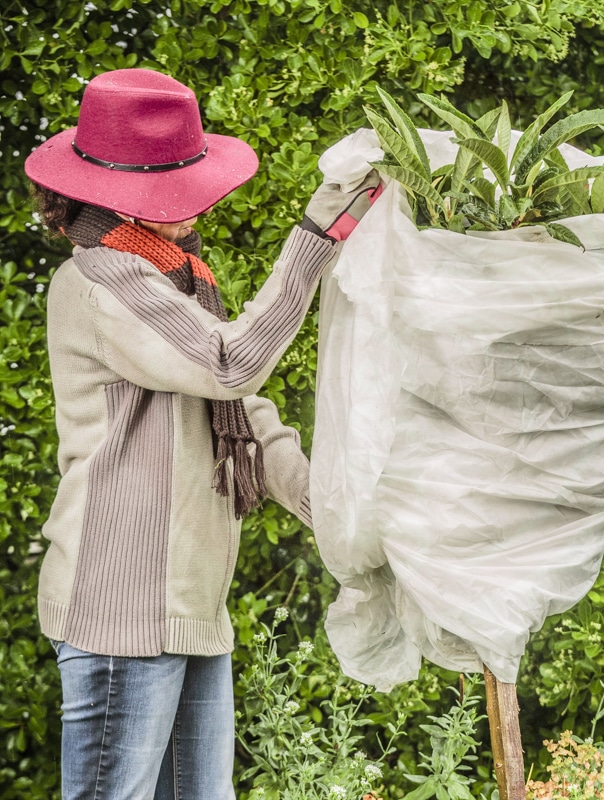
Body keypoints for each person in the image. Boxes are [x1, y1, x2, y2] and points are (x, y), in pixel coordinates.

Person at [23, 67, 380, 800]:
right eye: (167, 190)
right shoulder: (103, 282)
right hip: (122, 611)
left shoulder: (174, 279)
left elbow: (244, 419)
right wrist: (311, 243)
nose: (189, 206)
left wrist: (338, 515)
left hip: (186, 606)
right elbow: (230, 365)